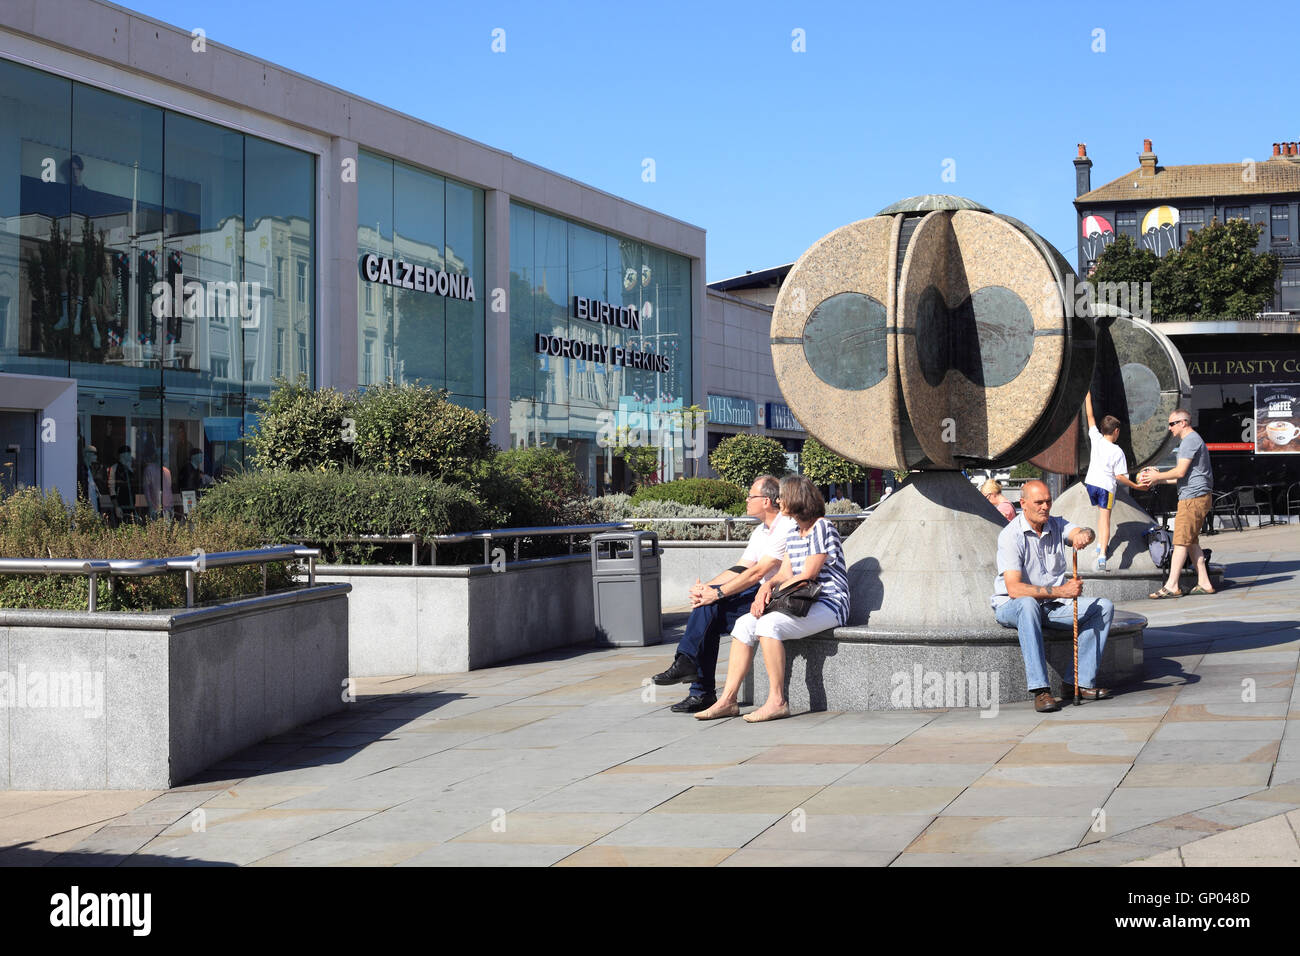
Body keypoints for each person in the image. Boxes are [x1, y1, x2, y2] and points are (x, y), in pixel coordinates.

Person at [695, 475, 850, 723]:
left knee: (768, 625)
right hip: (803, 601)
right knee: (744, 624)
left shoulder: (822, 526)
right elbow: (786, 572)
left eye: (783, 496)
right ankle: (728, 700)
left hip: (829, 603)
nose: (779, 501)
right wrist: (766, 586)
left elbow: (808, 575)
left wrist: (769, 595)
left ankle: (777, 701)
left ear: (796, 499)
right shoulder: (795, 531)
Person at [651, 475, 794, 713]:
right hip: (759, 591)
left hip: (778, 595)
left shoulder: (785, 525)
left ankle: (696, 680)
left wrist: (716, 595)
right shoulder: (761, 531)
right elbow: (741, 567)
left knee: (711, 607)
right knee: (706, 607)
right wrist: (707, 588)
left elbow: (758, 571)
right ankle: (694, 678)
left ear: (767, 501)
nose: (746, 500)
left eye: (751, 495)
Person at [991, 479, 1115, 713]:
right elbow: (1015, 589)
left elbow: (1080, 531)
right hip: (1013, 605)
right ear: (1023, 503)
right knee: (1027, 604)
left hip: (1052, 606)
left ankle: (1077, 682)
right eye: (1039, 502)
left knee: (1104, 607)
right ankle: (1040, 690)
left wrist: (1084, 535)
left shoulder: (1056, 524)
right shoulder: (1011, 535)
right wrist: (1062, 591)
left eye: (1048, 502)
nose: (1045, 507)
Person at [1138, 409, 1215, 598]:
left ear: (1184, 423)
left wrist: (1157, 475)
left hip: (1192, 499)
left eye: (1172, 423)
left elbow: (1180, 472)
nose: (1169, 428)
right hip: (1196, 496)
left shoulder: (1189, 441)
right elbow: (1184, 476)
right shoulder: (1192, 440)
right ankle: (1204, 582)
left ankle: (1172, 585)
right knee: (1191, 542)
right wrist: (1158, 480)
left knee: (1180, 541)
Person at [1083, 392, 1144, 571]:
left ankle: (1099, 544)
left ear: (1103, 429)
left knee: (1100, 516)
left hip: (1091, 484)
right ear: (1116, 431)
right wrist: (1137, 486)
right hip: (1106, 487)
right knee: (1105, 519)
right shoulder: (1117, 452)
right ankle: (1103, 555)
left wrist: (1087, 397)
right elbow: (1120, 477)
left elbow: (1090, 416)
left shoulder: (1095, 438)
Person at [107, 444, 137, 525]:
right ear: (121, 455)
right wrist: (116, 506)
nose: (129, 457)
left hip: (131, 504)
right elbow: (112, 489)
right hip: (120, 503)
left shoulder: (131, 469)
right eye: (127, 454)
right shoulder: (114, 468)